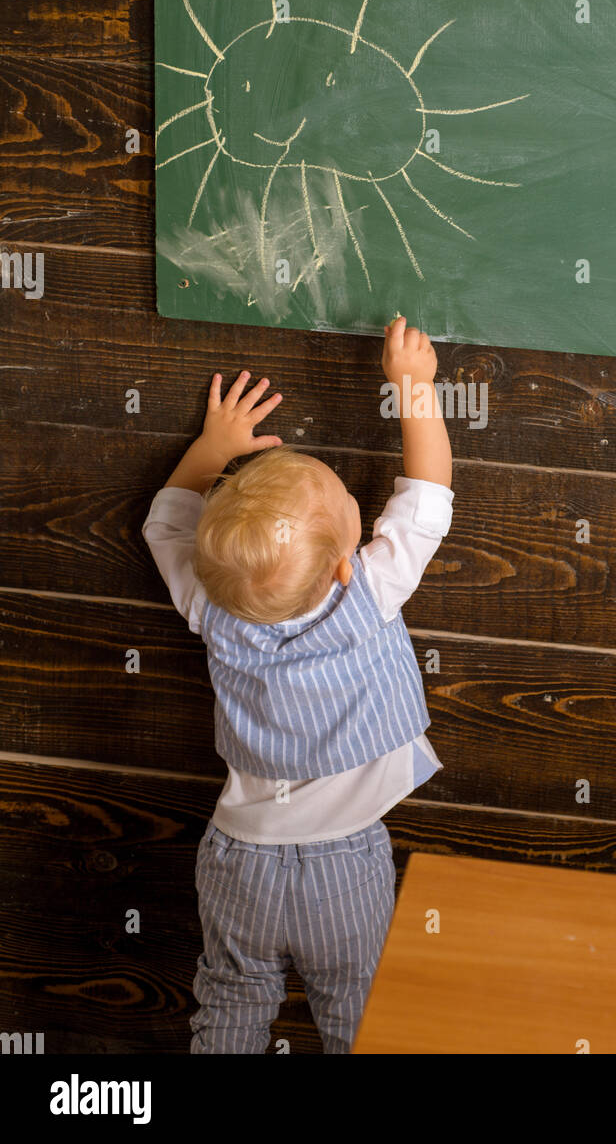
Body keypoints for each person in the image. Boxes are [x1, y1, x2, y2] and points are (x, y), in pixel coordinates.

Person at [141, 316, 453, 1052]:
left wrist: (210, 449)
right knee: (357, 1017)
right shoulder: (369, 592)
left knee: (230, 1002)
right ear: (347, 559)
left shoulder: (210, 605)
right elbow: (428, 494)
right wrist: (413, 384)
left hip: (235, 856)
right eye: (351, 506)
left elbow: (166, 525)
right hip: (343, 868)